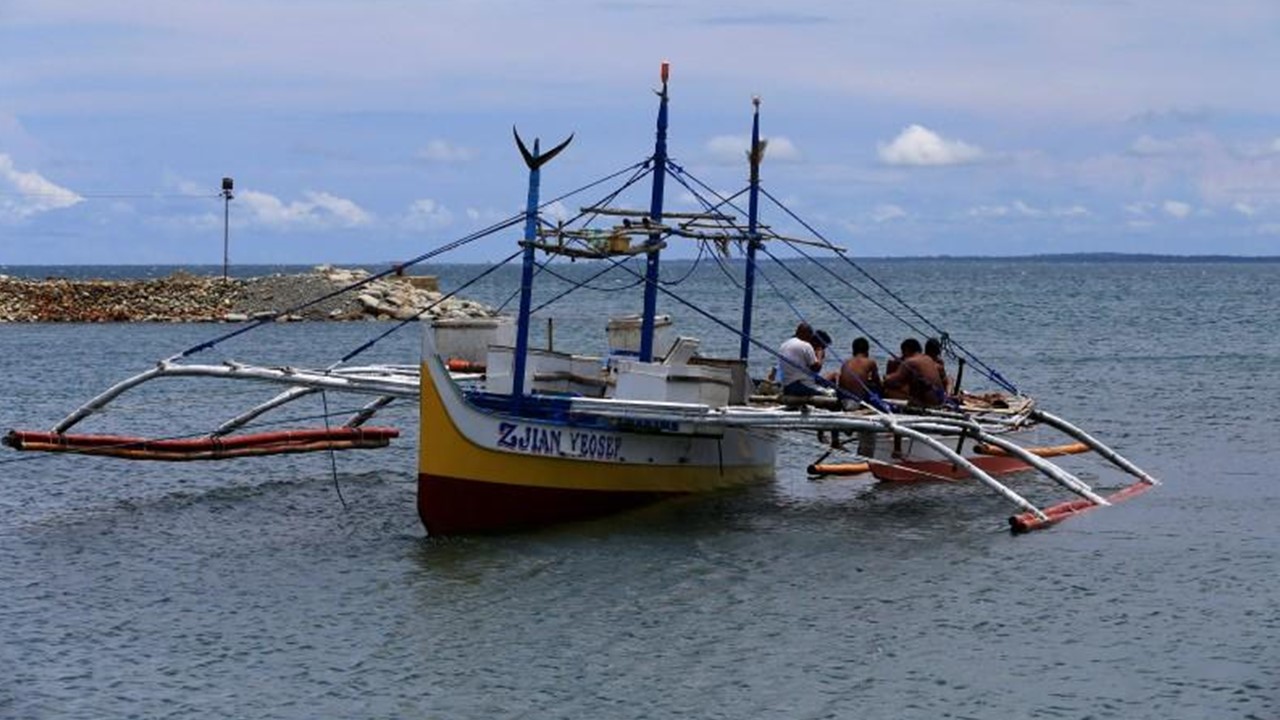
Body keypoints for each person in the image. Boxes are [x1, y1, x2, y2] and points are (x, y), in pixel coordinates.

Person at [882, 337, 946, 407]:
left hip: (928, 403)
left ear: (907, 350)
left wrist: (886, 377)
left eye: (903, 352)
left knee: (888, 391)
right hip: (940, 399)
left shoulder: (910, 362)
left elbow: (895, 381)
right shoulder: (928, 359)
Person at [777, 322, 824, 396]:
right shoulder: (805, 345)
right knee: (827, 393)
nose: (810, 338)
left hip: (786, 386)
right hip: (800, 386)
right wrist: (820, 354)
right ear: (806, 334)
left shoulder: (784, 344)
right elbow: (816, 368)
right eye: (809, 335)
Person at [837, 337, 882, 402]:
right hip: (858, 400)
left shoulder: (846, 362)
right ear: (867, 351)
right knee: (875, 390)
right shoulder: (870, 362)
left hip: (843, 399)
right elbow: (877, 382)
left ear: (853, 350)